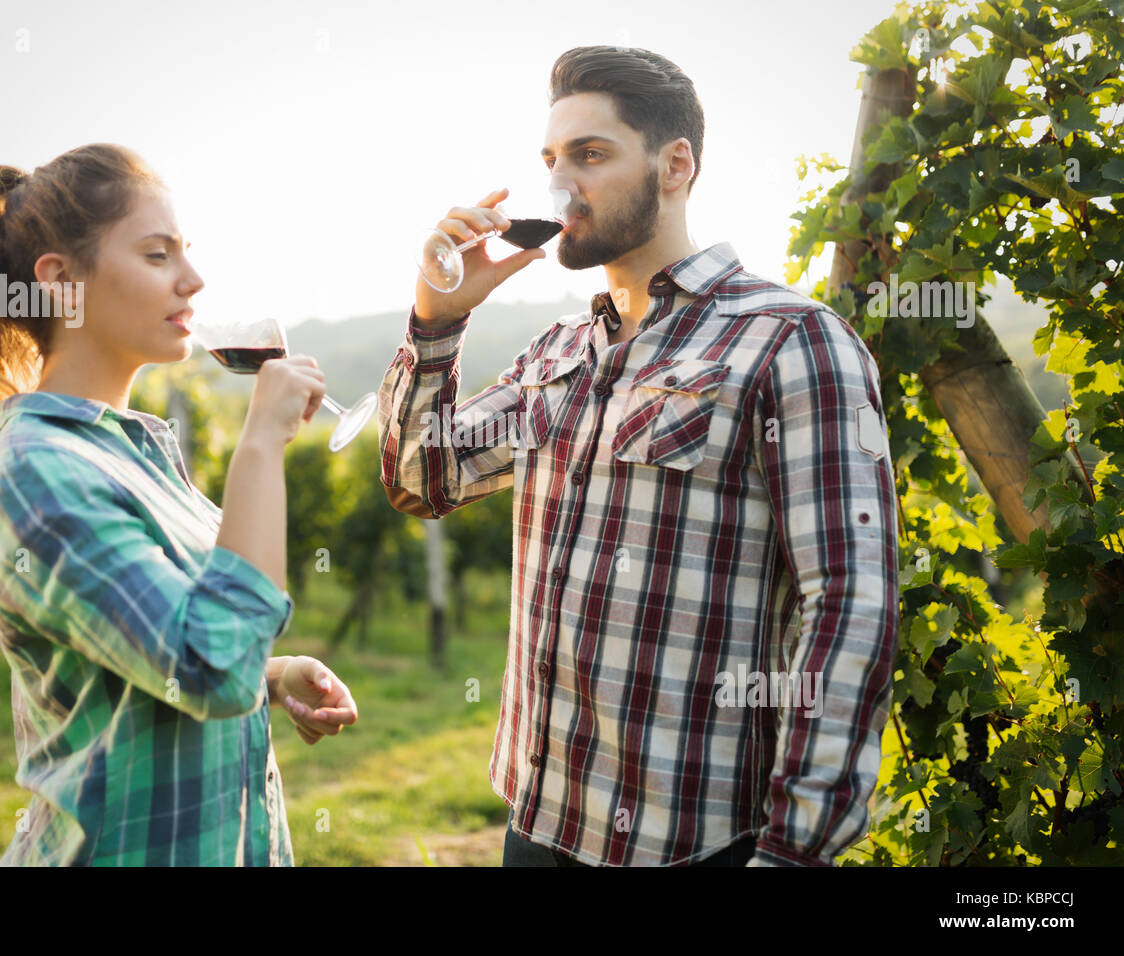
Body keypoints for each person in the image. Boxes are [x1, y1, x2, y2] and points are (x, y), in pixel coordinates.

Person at [378, 46, 899, 867]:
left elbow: (850, 606)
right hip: (536, 823)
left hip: (690, 844)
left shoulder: (789, 339)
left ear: (675, 164)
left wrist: (796, 851)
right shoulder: (556, 354)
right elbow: (422, 478)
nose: (563, 186)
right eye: (551, 161)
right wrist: (435, 321)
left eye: (590, 156)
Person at [0, 143, 357, 866]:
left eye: (184, 253)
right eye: (158, 256)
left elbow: (155, 648)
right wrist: (260, 444)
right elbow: (208, 667)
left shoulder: (136, 451)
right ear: (62, 281)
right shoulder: (39, 471)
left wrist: (273, 671)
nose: (193, 281)